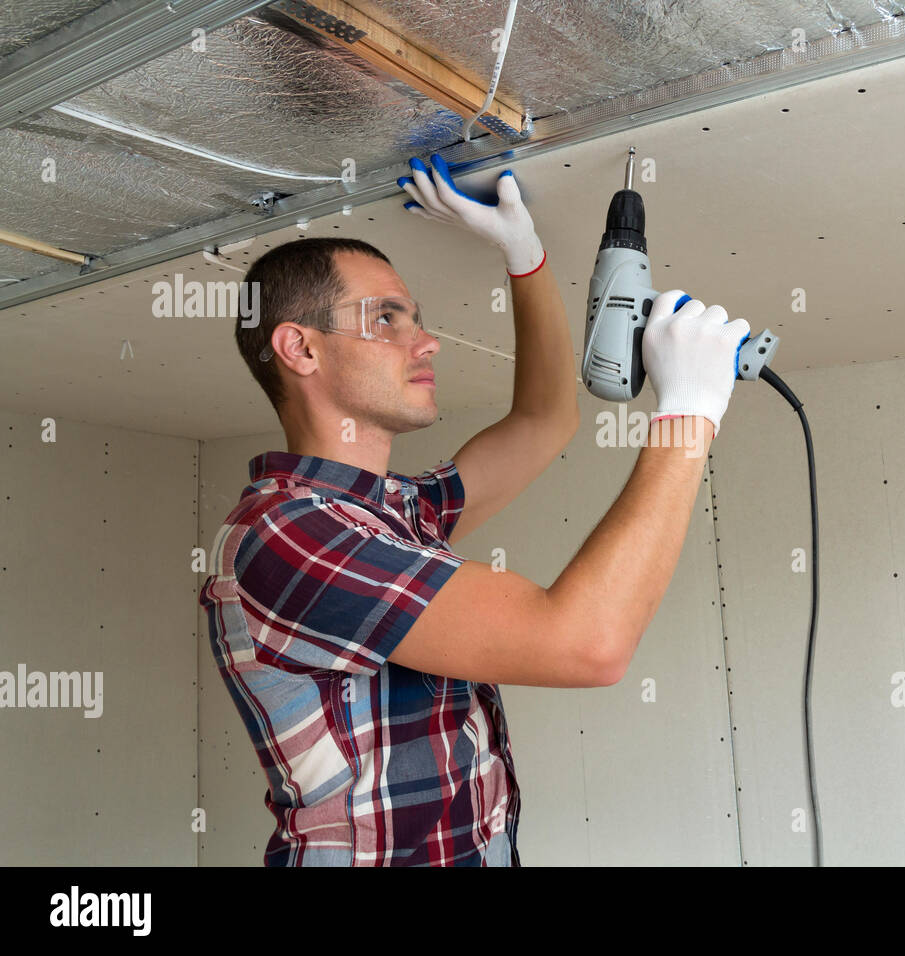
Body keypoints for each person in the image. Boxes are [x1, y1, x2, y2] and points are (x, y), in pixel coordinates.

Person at [198, 152, 750, 866]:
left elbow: (544, 420)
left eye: (415, 317)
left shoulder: (393, 514)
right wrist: (688, 415)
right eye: (387, 318)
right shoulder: (284, 535)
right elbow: (587, 644)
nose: (426, 340)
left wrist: (525, 256)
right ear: (299, 347)